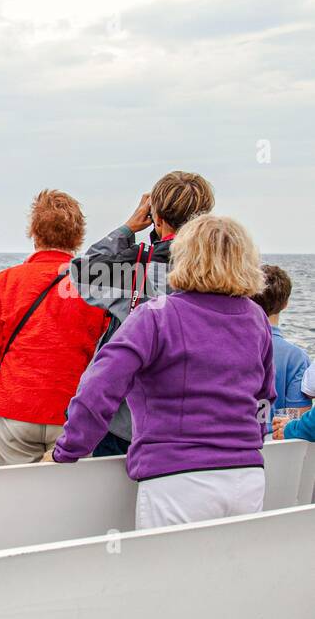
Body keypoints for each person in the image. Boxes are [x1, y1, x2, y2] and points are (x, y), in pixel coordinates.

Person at [51, 216, 273, 529]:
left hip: (177, 479)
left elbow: (100, 385)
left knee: (164, 575)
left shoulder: (157, 314)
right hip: (247, 476)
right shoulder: (256, 317)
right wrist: (251, 442)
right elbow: (264, 397)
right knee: (227, 575)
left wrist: (68, 450)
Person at [68, 171, 216, 456]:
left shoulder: (137, 269)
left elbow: (81, 272)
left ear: (157, 218)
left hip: (124, 420)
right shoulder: (222, 277)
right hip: (189, 423)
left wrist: (127, 228)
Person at [0, 190, 108, 464]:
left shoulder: (5, 281)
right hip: (72, 410)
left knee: (14, 497)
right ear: (78, 236)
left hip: (15, 407)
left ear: (34, 232)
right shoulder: (95, 286)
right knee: (68, 498)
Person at [251, 264, 310, 415]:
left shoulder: (230, 347)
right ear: (285, 304)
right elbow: (298, 415)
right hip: (277, 436)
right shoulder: (296, 357)